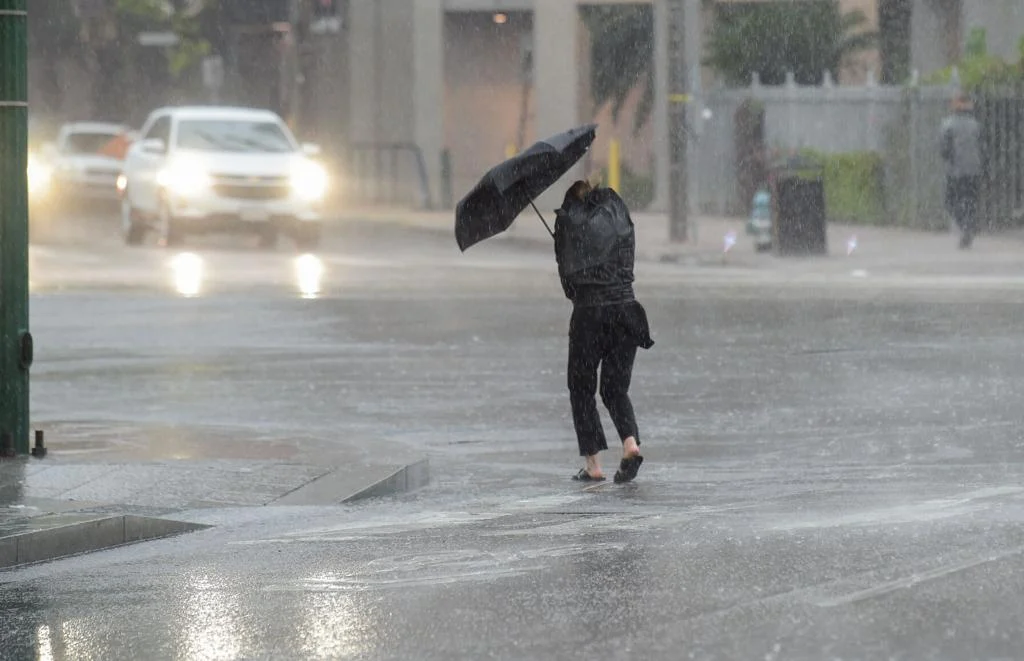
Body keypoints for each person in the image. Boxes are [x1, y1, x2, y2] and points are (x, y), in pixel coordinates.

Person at [554, 179, 654, 484]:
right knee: (615, 388)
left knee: (582, 388)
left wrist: (565, 244)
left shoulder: (569, 226)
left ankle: (593, 465)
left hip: (589, 317)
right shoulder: (618, 219)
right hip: (626, 311)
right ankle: (630, 443)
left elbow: (569, 288)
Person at [940, 92, 984, 249]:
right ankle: (969, 226)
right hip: (974, 170)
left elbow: (944, 149)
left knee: (951, 202)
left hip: (956, 171)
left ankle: (965, 227)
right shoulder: (976, 125)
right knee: (970, 201)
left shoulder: (947, 125)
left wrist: (950, 160)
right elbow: (982, 147)